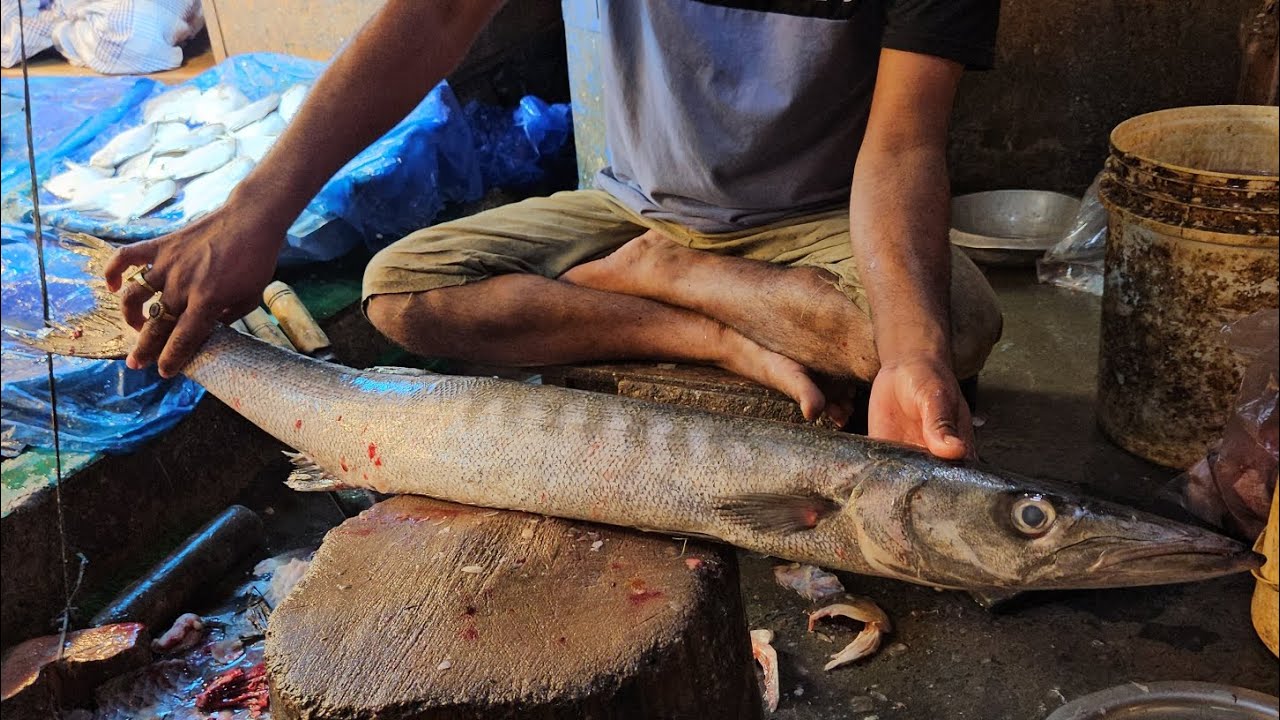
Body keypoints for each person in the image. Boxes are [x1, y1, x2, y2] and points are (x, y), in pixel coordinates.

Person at [105, 0, 1003, 460]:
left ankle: (673, 277)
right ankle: (689, 309)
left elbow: (903, 148)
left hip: (816, 219)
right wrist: (256, 210)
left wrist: (913, 350)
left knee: (947, 330)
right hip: (631, 206)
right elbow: (434, 17)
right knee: (402, 294)